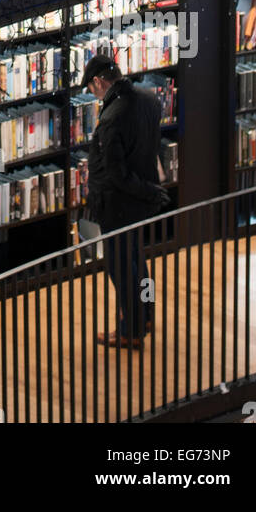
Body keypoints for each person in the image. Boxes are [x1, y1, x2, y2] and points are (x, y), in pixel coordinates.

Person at [82, 53, 170, 350]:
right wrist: (150, 190)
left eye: (91, 89)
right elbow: (148, 149)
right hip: (142, 200)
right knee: (138, 260)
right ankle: (145, 315)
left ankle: (130, 329)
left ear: (98, 81)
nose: (93, 94)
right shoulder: (149, 100)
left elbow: (116, 174)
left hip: (119, 204)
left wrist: (144, 191)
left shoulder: (111, 118)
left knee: (121, 267)